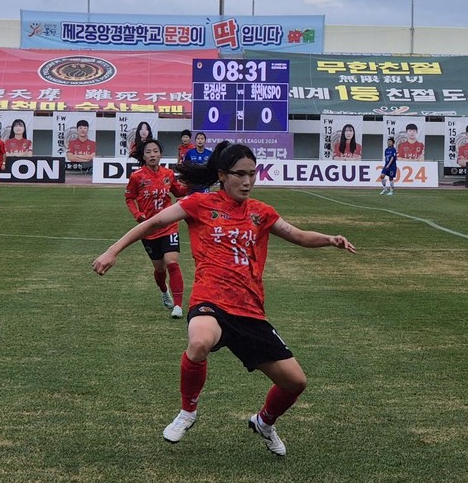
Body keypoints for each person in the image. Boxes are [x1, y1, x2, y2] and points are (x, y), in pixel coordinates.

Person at [92, 141, 357, 454]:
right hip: (211, 301)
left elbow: (297, 235)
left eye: (252, 174)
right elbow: (155, 222)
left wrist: (330, 239)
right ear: (222, 174)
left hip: (249, 310)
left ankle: (265, 421)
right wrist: (112, 250)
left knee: (295, 382)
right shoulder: (199, 204)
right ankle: (187, 412)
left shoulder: (262, 213)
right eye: (239, 174)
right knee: (199, 342)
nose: (247, 181)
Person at [124, 138, 189, 318]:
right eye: (148, 152)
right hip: (149, 229)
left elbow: (179, 192)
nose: (152, 155)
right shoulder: (137, 177)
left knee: (172, 263)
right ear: (143, 156)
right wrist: (138, 215)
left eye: (155, 151)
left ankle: (178, 306)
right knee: (160, 269)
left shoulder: (168, 173)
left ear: (160, 153)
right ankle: (163, 290)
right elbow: (129, 198)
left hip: (169, 225)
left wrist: (192, 183)